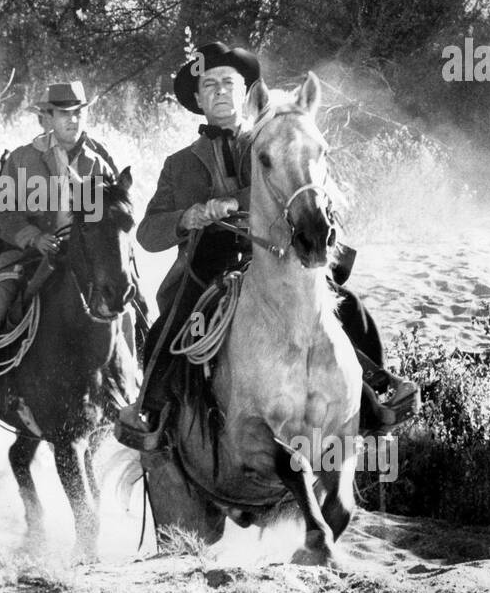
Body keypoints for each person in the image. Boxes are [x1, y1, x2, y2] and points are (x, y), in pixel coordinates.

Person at [132, 42, 417, 433]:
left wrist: (231, 201)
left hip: (279, 253)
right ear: (197, 98)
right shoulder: (178, 165)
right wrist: (189, 216)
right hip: (208, 265)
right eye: (209, 84)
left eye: (228, 83)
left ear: (245, 94)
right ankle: (153, 413)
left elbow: (307, 184)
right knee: (171, 326)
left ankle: (377, 390)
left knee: (345, 305)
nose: (218, 91)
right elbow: (147, 233)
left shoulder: (278, 137)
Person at [0, 81, 121, 435]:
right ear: (45, 119)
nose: (73, 120)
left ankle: (131, 387)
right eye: (64, 113)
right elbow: (6, 215)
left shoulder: (97, 164)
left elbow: (109, 218)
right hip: (23, 253)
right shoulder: (23, 159)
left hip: (81, 257)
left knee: (128, 307)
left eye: (78, 113)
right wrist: (34, 237)